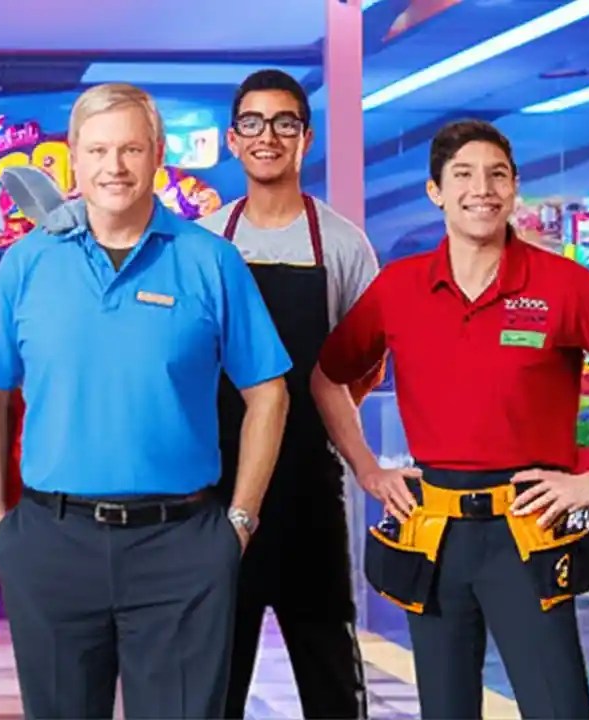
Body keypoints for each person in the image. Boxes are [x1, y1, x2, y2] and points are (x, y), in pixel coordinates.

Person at [311, 119, 589, 719]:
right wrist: (366, 468)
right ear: (436, 190)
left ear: (514, 188)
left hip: (528, 529)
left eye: (497, 175)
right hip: (433, 529)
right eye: (463, 175)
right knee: (446, 710)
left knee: (561, 708)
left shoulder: (561, 284)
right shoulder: (400, 288)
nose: (482, 188)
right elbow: (327, 376)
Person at [0, 82, 292, 720]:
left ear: (158, 154)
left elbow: (270, 395)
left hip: (183, 549)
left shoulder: (211, 262)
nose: (114, 167)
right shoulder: (27, 263)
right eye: (99, 151)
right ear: (75, 160)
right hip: (51, 545)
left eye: (131, 149)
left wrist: (240, 523)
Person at [197, 69, 379, 719]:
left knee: (330, 673)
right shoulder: (205, 243)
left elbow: (365, 366)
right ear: (232, 139)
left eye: (283, 123)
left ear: (305, 139)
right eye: (252, 123)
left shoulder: (344, 244)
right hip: (218, 492)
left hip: (310, 493)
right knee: (215, 674)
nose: (266, 136)